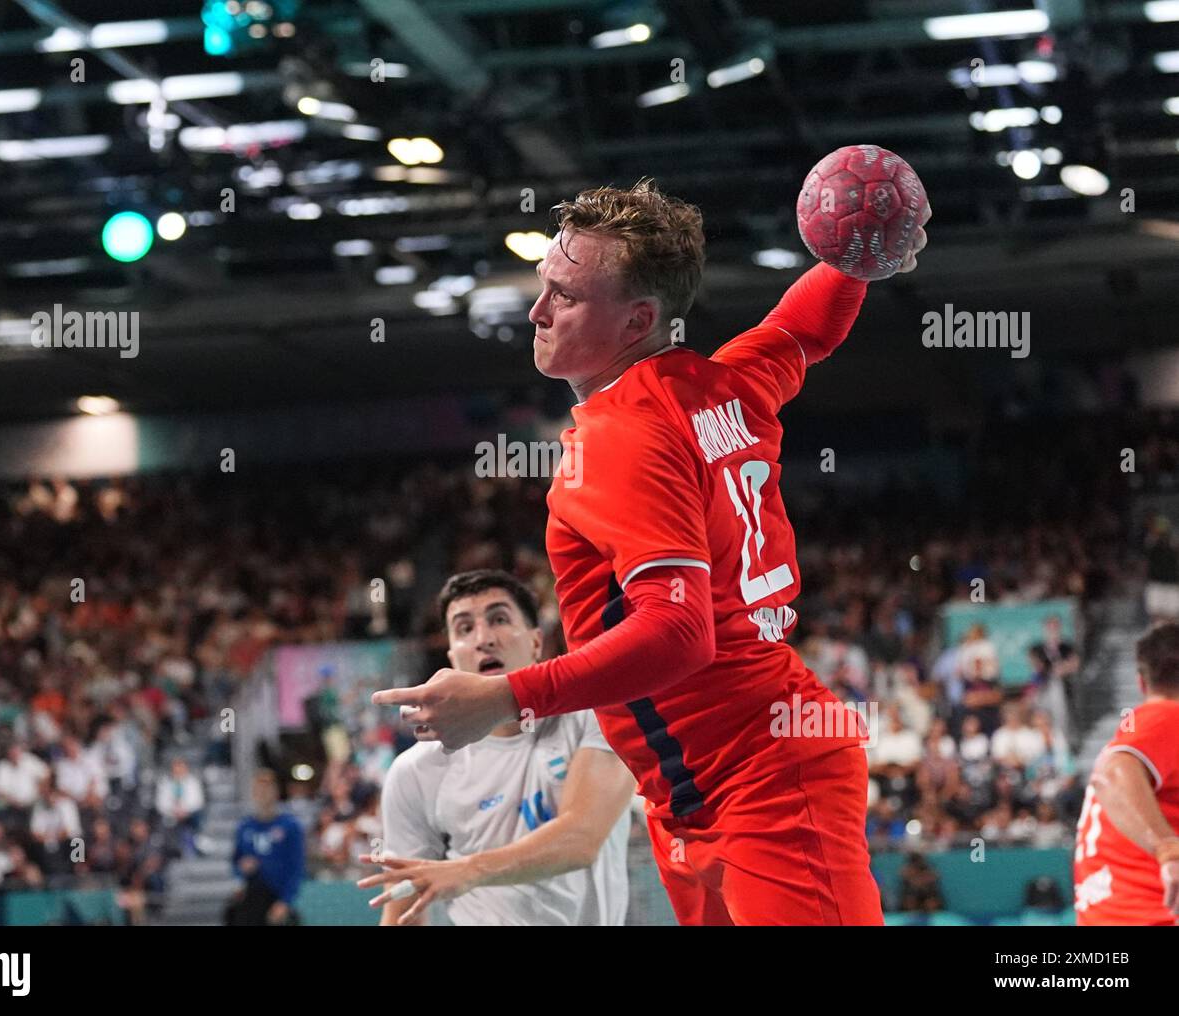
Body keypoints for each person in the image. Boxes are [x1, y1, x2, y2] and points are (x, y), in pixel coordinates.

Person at [375, 177, 929, 925]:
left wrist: (510, 695)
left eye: (564, 297)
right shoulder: (722, 385)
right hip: (692, 789)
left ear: (638, 319)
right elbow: (803, 333)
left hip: (759, 774)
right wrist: (851, 265)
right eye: (544, 285)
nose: (537, 311)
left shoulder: (622, 437)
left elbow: (678, 631)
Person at [360, 570, 634, 925]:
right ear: (452, 658)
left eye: (499, 619)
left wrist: (467, 870)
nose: (483, 639)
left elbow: (581, 839)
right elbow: (404, 910)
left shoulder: (595, 718)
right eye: (464, 628)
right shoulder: (415, 771)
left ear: (536, 643)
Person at [1074, 623, 1179, 924]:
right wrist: (1169, 851)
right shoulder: (1168, 717)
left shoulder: (1139, 736)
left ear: (1142, 683)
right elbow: (1112, 775)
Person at [225, 770, 304, 926]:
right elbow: (235, 862)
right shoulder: (245, 827)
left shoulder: (289, 826)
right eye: (259, 790)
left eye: (268, 789)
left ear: (276, 792)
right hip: (252, 896)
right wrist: (242, 870)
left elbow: (297, 867)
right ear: (254, 793)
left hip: (277, 895)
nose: (264, 794)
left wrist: (285, 901)